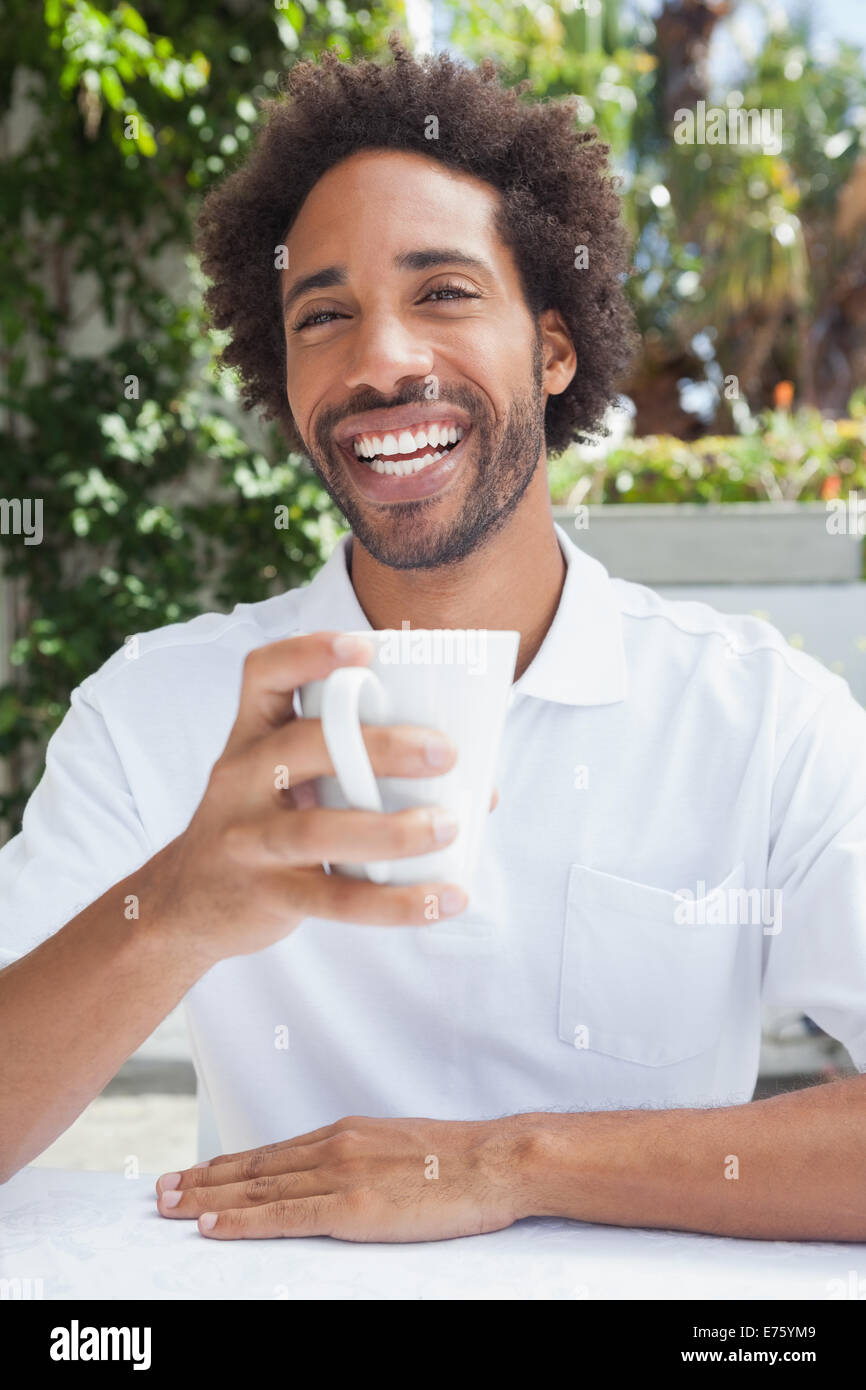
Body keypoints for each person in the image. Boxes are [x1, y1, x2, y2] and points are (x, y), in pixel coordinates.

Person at [2, 36, 865, 1244]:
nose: (381, 361)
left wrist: (510, 1163)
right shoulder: (161, 708)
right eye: (324, 315)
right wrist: (180, 903)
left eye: (443, 293)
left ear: (553, 348)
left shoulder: (761, 718)